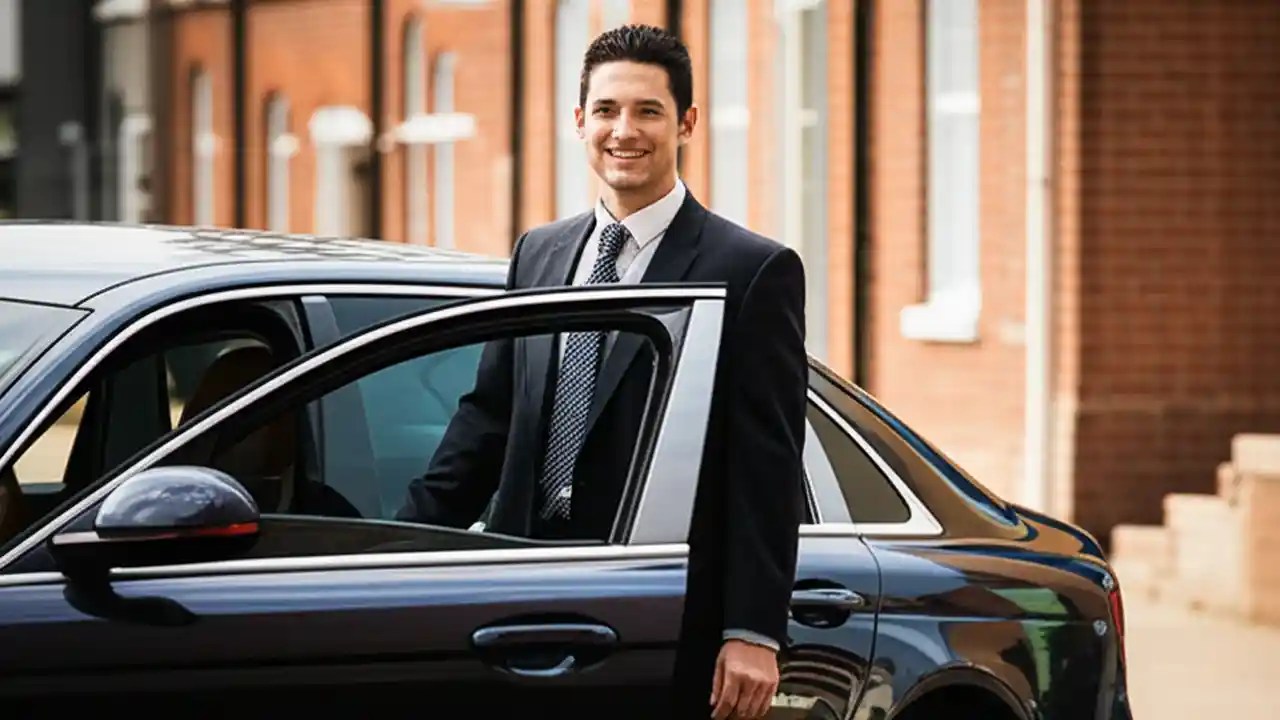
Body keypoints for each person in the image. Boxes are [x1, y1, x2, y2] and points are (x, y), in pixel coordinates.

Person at [397, 24, 807, 720]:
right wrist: (394, 553)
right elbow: (486, 424)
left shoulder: (751, 270)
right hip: (526, 598)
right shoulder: (541, 255)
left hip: (663, 609)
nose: (626, 130)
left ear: (687, 123)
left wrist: (753, 631)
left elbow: (766, 468)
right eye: (608, 111)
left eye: (648, 111)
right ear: (579, 121)